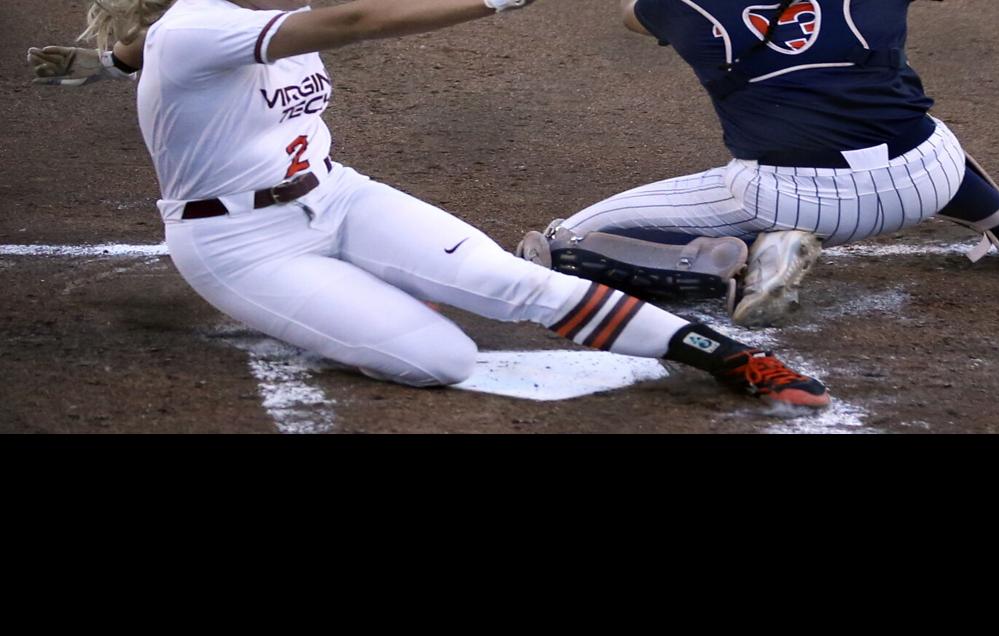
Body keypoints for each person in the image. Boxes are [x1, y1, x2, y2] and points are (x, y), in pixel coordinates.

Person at [27, 0, 830, 409]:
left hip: (340, 197)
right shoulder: (202, 25)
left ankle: (728, 357)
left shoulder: (201, 20)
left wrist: (109, 63)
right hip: (243, 247)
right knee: (437, 358)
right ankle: (351, 297)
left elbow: (140, 46)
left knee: (512, 282)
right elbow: (349, 20)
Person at [516, 0, 999, 328]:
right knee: (903, 118)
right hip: (931, 175)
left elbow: (631, 15)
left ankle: (737, 267)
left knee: (564, 239)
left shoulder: (682, 6)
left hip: (793, 197)